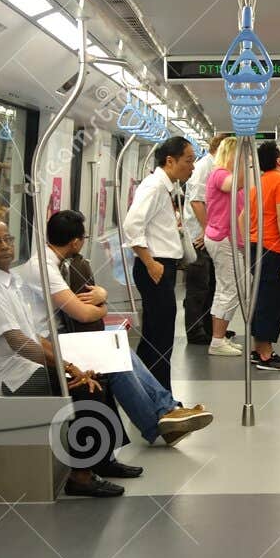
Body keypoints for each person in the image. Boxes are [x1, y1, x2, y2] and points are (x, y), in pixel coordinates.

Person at [20, 210, 215, 453]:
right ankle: (158, 422)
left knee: (118, 345)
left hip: (60, 336)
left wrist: (100, 297)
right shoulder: (44, 269)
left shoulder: (53, 262)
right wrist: (102, 304)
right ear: (75, 242)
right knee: (113, 359)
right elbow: (82, 313)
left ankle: (167, 411)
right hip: (46, 344)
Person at [0, 220, 121, 498]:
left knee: (96, 374)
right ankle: (81, 476)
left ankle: (102, 460)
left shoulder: (9, 283)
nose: (5, 246)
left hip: (25, 369)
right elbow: (19, 343)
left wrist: (72, 363)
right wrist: (68, 369)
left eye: (7, 239)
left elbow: (35, 336)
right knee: (85, 388)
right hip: (9, 378)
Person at [122, 135, 195, 394]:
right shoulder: (153, 186)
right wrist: (150, 262)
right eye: (188, 161)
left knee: (157, 333)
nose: (192, 167)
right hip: (156, 266)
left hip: (162, 265)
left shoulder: (167, 187)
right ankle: (159, 395)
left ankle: (150, 391)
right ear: (170, 160)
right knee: (159, 335)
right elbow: (132, 225)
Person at [247, 141, 280, 372]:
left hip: (256, 246)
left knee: (260, 299)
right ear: (278, 160)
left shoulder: (257, 184)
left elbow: (242, 218)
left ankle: (259, 349)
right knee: (272, 302)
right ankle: (266, 356)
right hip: (272, 248)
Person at [201, 135, 245, 356]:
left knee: (226, 289)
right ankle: (217, 341)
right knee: (230, 290)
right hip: (222, 236)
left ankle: (219, 338)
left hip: (227, 237)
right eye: (241, 155)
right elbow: (234, 184)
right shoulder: (220, 174)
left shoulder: (227, 174)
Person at [183, 135, 226, 345]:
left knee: (211, 284)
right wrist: (208, 229)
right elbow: (196, 201)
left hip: (208, 234)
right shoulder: (203, 167)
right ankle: (195, 331)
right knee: (198, 286)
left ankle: (209, 327)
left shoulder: (215, 167)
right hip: (198, 236)